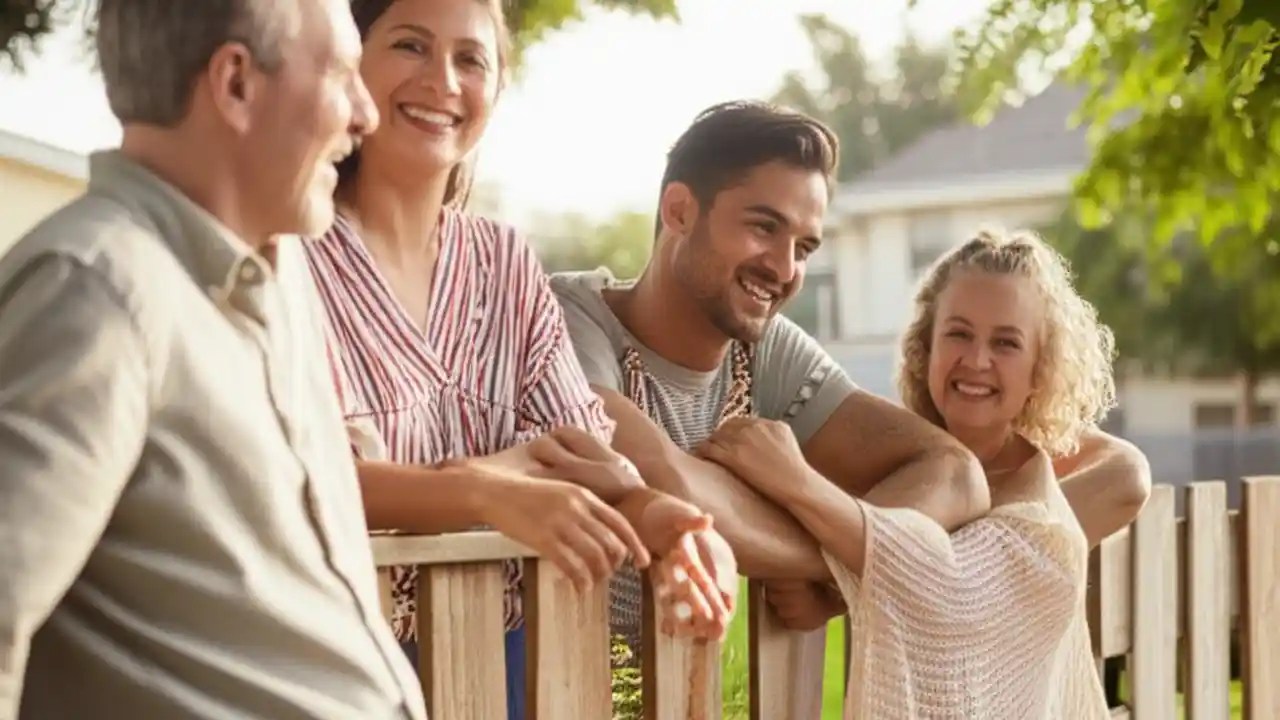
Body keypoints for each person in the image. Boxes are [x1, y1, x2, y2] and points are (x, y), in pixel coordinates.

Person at [301, 1, 734, 715]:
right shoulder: (289, 255)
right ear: (350, 63)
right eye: (410, 45)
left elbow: (587, 462)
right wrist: (483, 484)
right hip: (342, 669)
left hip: (517, 667)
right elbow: (301, 482)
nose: (442, 80)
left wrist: (669, 524)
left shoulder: (504, 263)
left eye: (471, 59)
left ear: (496, 91)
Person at [0, 1, 429, 718]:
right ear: (235, 83)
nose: (366, 114)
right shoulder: (96, 293)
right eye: (345, 73)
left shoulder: (277, 262)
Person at [549, 101, 991, 616]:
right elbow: (664, 480)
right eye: (763, 228)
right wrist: (840, 565)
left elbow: (957, 475)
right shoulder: (565, 320)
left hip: (701, 694)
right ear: (680, 211)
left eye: (803, 248)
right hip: (552, 689)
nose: (783, 269)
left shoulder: (766, 350)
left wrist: (801, 489)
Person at [700, 229, 1151, 718]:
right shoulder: (908, 472)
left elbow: (945, 587)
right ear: (925, 347)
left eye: (1006, 343)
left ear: (1039, 372)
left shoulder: (1046, 529)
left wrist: (799, 490)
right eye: (958, 333)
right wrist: (841, 572)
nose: (977, 360)